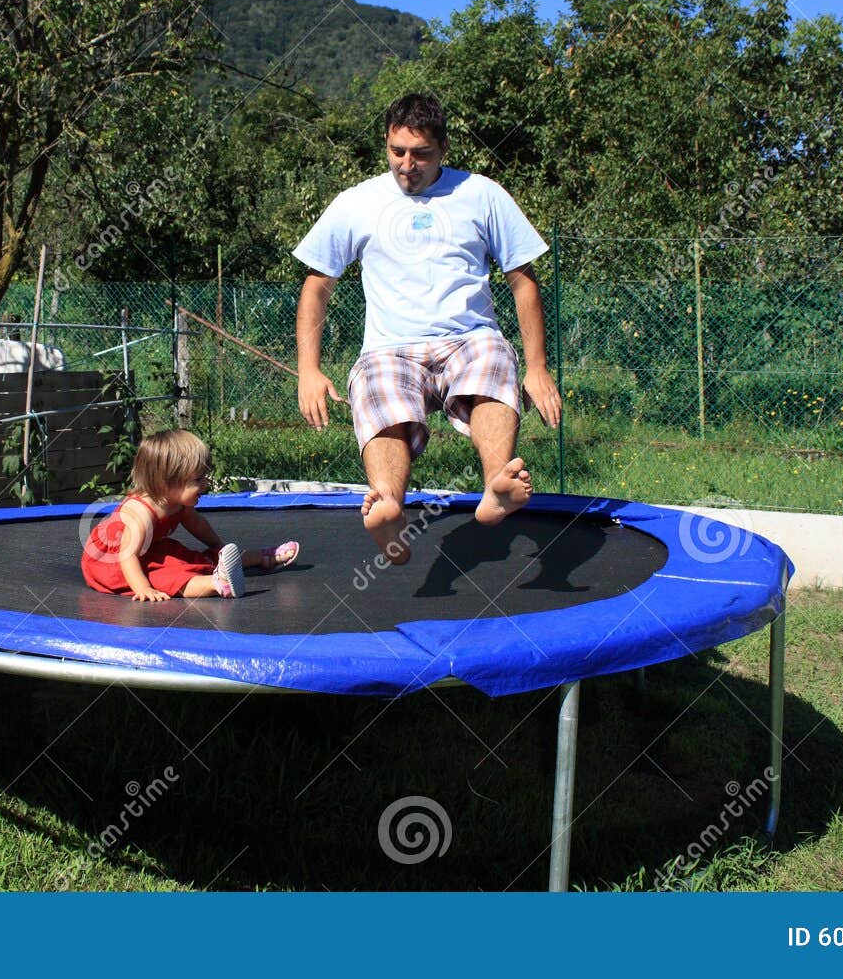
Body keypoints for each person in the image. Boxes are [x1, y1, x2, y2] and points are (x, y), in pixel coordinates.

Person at [293, 93, 562, 563]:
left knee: (494, 359)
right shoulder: (357, 202)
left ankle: (498, 485)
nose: (407, 165)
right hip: (390, 348)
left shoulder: (481, 194)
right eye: (398, 151)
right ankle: (389, 506)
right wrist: (308, 370)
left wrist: (537, 368)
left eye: (421, 154)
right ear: (386, 143)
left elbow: (523, 281)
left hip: (468, 338)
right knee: (377, 387)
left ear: (444, 149)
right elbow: (317, 287)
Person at [81, 428, 301, 601]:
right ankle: (217, 584)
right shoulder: (141, 515)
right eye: (198, 480)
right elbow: (127, 556)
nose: (205, 484)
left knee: (193, 560)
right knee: (166, 576)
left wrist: (219, 548)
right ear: (165, 483)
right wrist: (144, 588)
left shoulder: (177, 502)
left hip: (148, 550)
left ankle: (258, 558)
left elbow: (198, 525)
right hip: (112, 562)